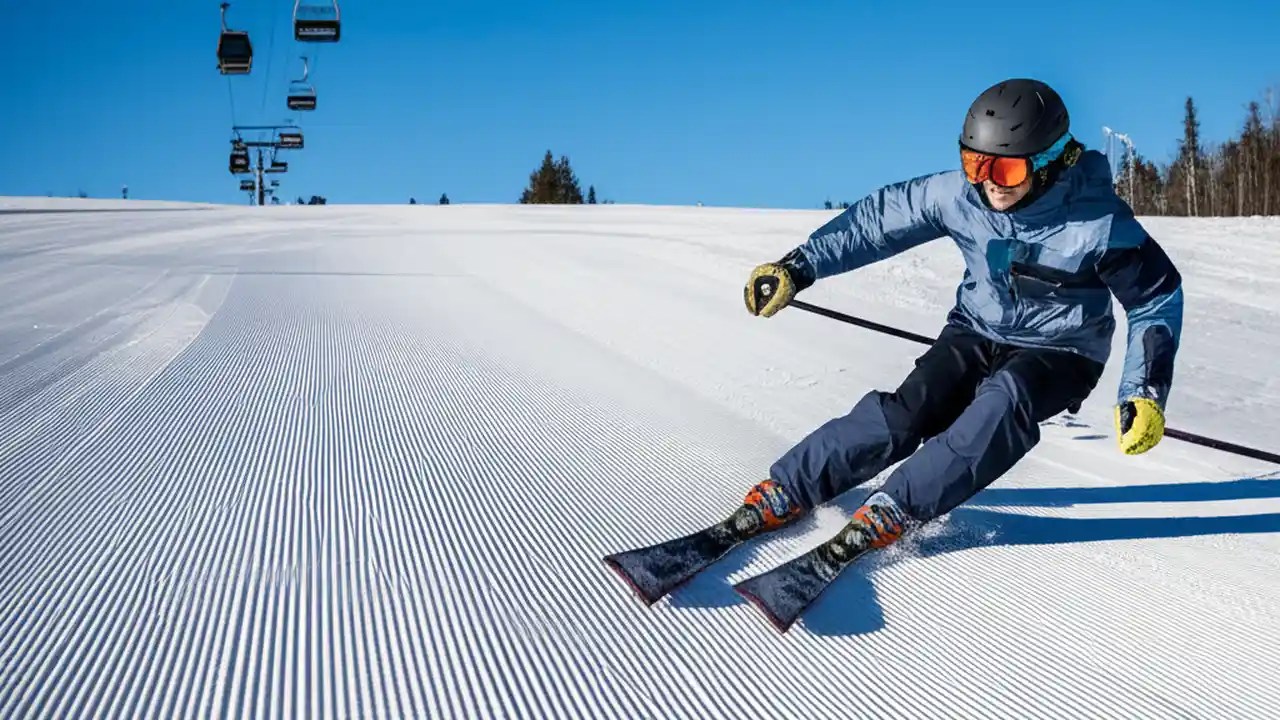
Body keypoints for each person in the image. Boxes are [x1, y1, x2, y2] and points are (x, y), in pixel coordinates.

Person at [732, 78, 1184, 550]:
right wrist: (799, 266)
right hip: (975, 329)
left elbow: (1155, 299)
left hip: (1064, 349)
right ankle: (794, 483)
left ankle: (900, 505)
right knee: (909, 412)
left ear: (1049, 161)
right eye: (975, 161)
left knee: (1000, 405)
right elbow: (877, 223)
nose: (988, 181)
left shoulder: (1100, 224)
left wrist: (1144, 390)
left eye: (1005, 170)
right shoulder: (959, 196)